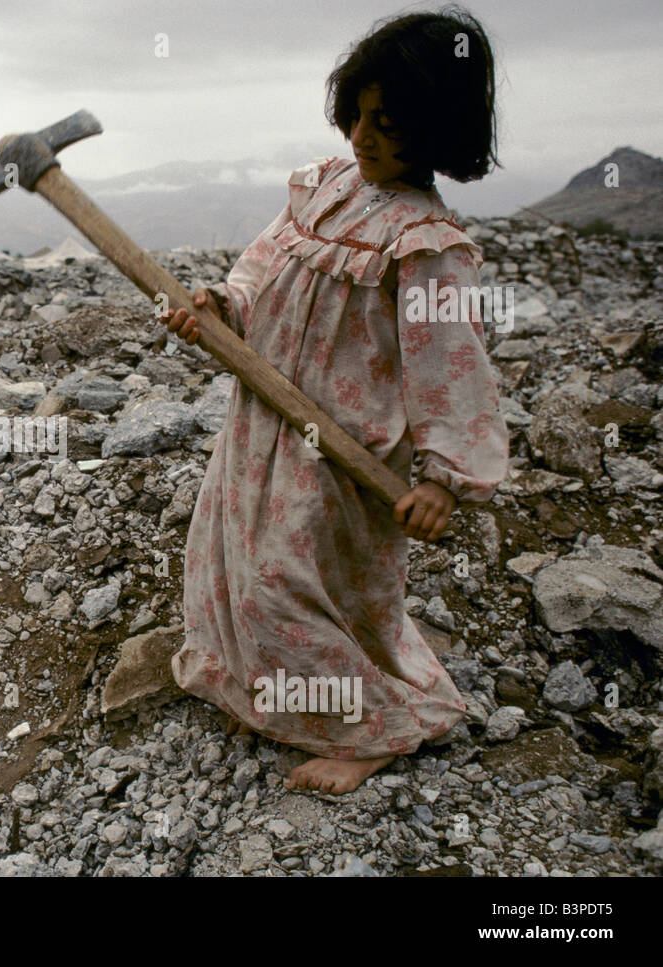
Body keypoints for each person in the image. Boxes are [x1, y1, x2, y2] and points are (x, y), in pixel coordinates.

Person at [162, 6, 507, 795]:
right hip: (263, 419)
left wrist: (444, 476)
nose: (360, 136)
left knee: (290, 582)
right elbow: (259, 271)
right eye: (356, 114)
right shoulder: (322, 188)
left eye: (386, 124)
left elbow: (451, 366)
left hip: (343, 449)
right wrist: (221, 306)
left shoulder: (427, 246)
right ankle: (262, 690)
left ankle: (374, 726)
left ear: (436, 127)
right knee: (231, 559)